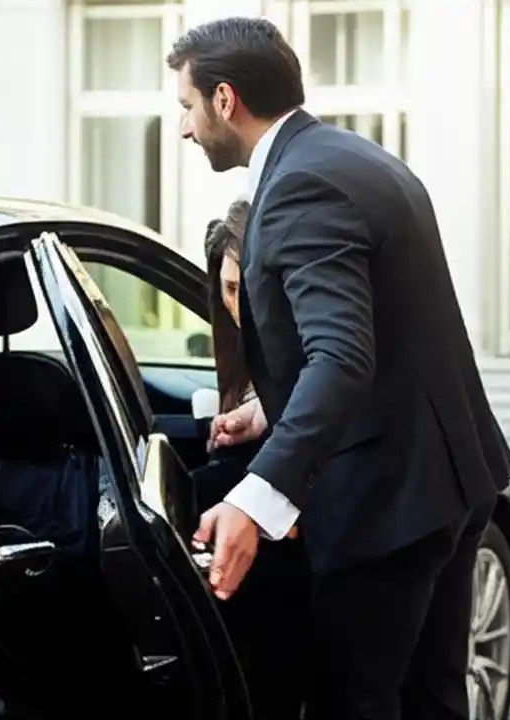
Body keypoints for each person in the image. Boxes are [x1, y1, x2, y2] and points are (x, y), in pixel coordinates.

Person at [167, 17, 510, 720]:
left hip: (384, 500)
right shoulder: (359, 158)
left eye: (186, 105)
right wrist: (273, 406)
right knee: (432, 699)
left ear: (226, 98)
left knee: (354, 703)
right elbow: (382, 330)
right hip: (452, 479)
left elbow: (342, 356)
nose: (184, 127)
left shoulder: (301, 189)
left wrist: (256, 498)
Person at [191, 197, 310, 720]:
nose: (241, 304)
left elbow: (319, 403)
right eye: (231, 289)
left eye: (250, 287)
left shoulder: (307, 329)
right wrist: (255, 413)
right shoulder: (239, 343)